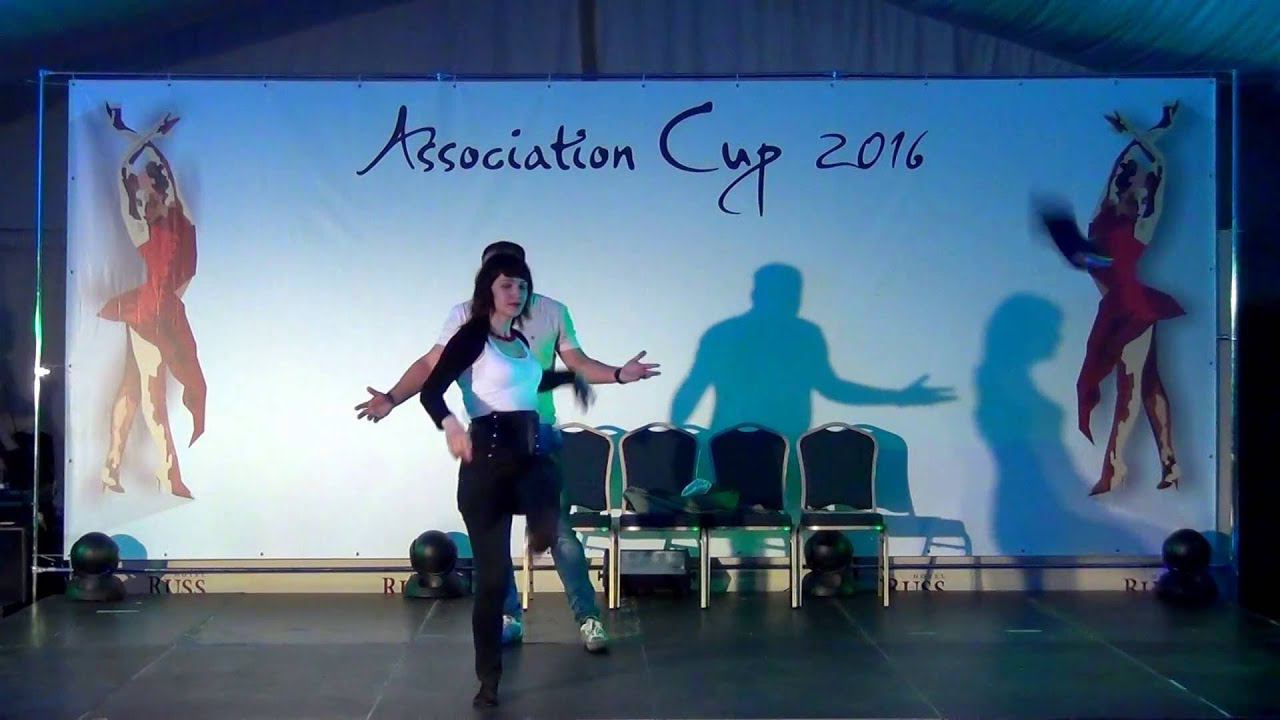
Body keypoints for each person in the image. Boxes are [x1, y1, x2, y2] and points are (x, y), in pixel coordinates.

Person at [355, 241, 659, 652]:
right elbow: (432, 366)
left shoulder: (551, 311)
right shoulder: (465, 317)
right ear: (487, 281)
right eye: (501, 280)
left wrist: (619, 374)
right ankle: (508, 617)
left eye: (518, 280)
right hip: (490, 440)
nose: (512, 291)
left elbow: (576, 364)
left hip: (540, 435)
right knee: (493, 538)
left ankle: (587, 618)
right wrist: (393, 398)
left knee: (558, 531)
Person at [418, 253, 592, 707]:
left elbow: (526, 383)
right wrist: (451, 425)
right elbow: (431, 389)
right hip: (486, 463)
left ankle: (541, 525)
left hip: (526, 455)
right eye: (507, 286)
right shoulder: (472, 336)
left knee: (546, 473)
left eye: (522, 286)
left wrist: (570, 379)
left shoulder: (517, 340)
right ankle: (489, 680)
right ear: (489, 291)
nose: (517, 294)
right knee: (493, 583)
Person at [99, 105, 207, 498]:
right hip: (149, 314)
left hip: (168, 314)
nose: (146, 195)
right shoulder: (142, 230)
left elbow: (162, 168)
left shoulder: (181, 219)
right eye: (142, 193)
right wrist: (145, 134)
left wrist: (145, 134)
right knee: (150, 393)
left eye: (150, 189)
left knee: (133, 389)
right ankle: (168, 472)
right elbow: (123, 171)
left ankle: (112, 466)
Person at [1076, 102, 1183, 496]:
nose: (1131, 175)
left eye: (1139, 177)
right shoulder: (1101, 213)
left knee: (1132, 385)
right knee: (1149, 383)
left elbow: (1161, 167)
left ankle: (1115, 467)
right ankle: (1169, 461)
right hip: (1115, 307)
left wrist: (1140, 131)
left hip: (1134, 307)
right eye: (1129, 173)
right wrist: (1151, 128)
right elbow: (1123, 161)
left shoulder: (1143, 223)